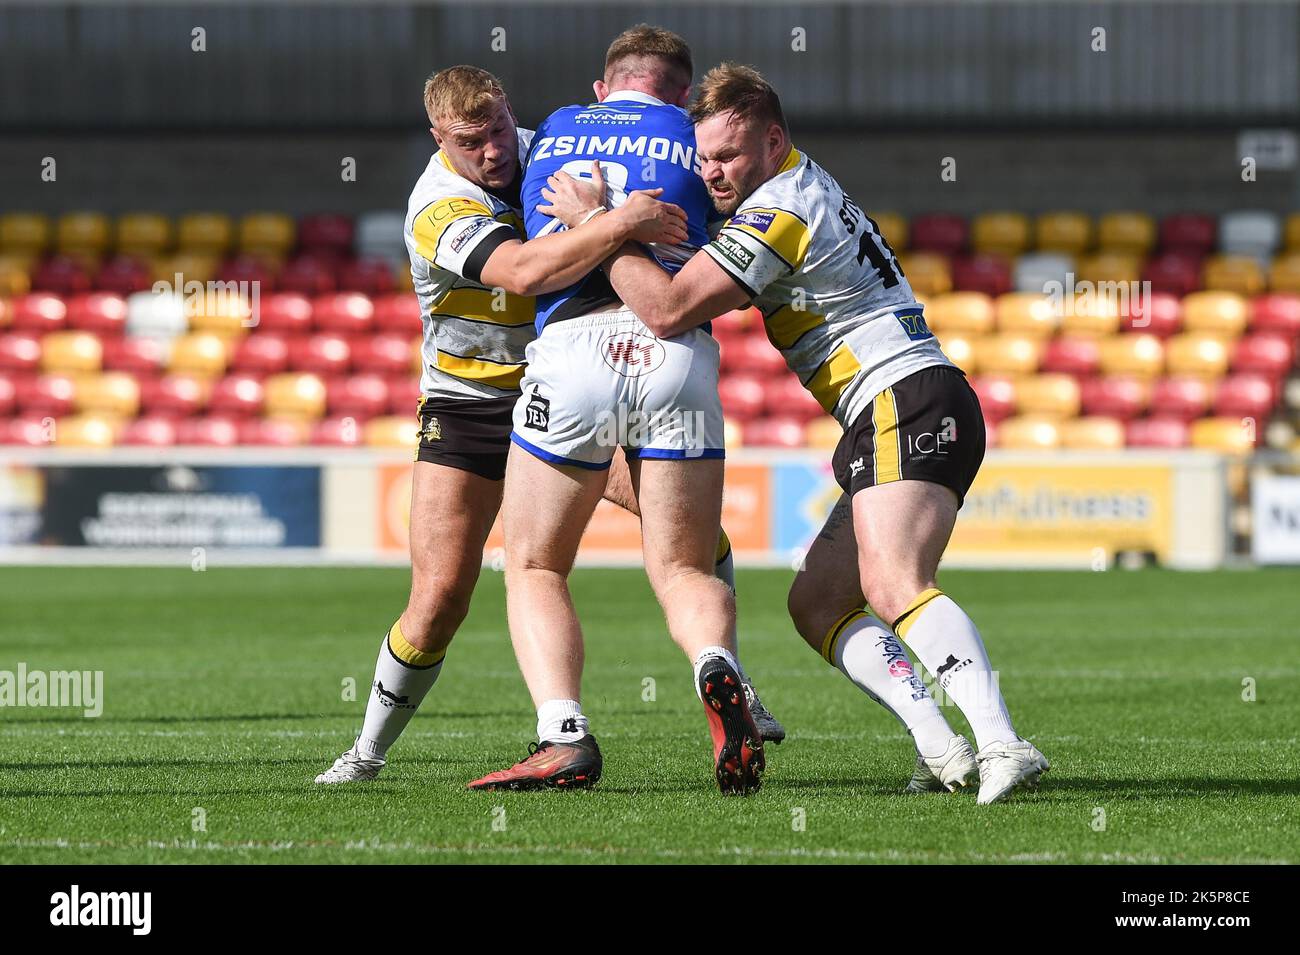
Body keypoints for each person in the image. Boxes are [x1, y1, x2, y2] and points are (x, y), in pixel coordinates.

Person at [542, 62, 1048, 804]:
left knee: (895, 581)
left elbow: (669, 307)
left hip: (901, 397)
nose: (713, 173)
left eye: (730, 156)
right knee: (818, 602)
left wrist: (597, 224)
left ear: (773, 139)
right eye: (704, 157)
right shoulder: (786, 187)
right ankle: (942, 746)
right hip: (908, 401)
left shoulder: (780, 208)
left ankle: (1002, 742)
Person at [466, 27, 766, 796]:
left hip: (574, 346)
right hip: (677, 350)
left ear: (604, 88)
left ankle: (563, 734)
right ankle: (719, 669)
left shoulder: (554, 134)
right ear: (682, 95)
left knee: (535, 562)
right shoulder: (701, 140)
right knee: (683, 565)